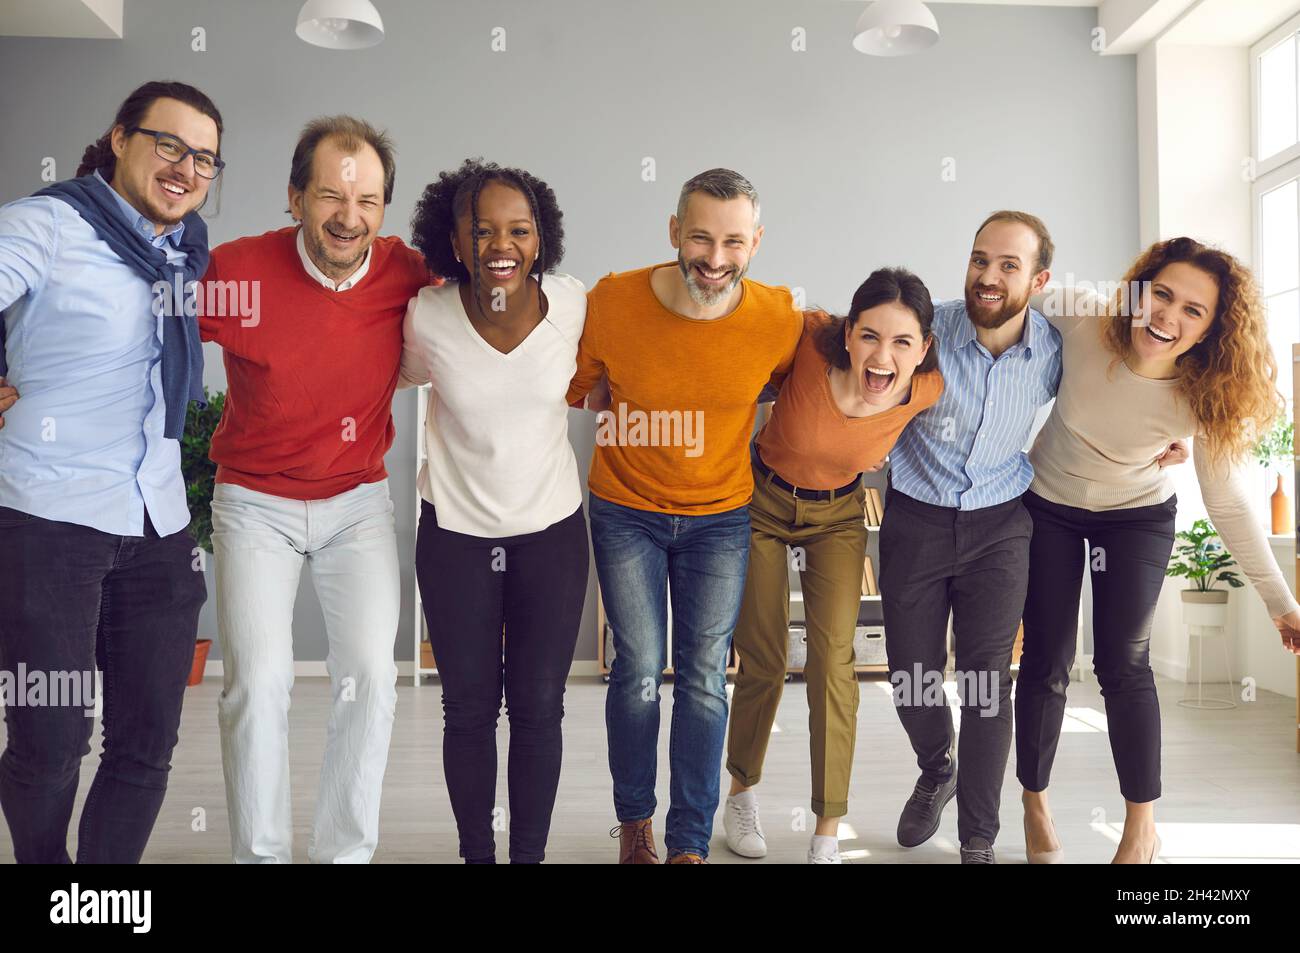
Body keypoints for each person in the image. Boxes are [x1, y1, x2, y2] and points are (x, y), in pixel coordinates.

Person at [1017, 237, 1300, 864]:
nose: (1167, 317)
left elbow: (1227, 505)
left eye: (1192, 311)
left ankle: (1141, 825)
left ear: (1210, 332)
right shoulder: (1086, 317)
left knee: (1124, 665)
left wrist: (1282, 604)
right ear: (1138, 292)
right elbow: (1014, 291)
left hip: (1135, 517)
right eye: (1161, 294)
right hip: (1047, 505)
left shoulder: (1206, 398)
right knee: (1047, 659)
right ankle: (1035, 805)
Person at [0, 81, 220, 862]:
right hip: (49, 519)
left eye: (204, 157)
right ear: (121, 138)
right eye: (169, 144)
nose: (186, 167)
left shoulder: (186, 251)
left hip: (157, 524)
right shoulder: (48, 225)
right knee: (51, 738)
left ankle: (98, 901)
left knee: (146, 744)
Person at [199, 116, 430, 863]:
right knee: (258, 684)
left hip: (355, 502)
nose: (348, 216)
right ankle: (259, 858)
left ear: (384, 209)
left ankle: (343, 855)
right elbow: (143, 324)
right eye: (330, 196)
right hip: (253, 503)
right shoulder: (237, 270)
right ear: (294, 197)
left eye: (366, 201)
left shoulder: (407, 274)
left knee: (369, 676)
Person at [567, 168, 803, 863]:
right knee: (638, 668)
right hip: (626, 511)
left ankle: (689, 841)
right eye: (700, 236)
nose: (715, 256)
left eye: (734, 240)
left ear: (756, 240)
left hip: (721, 519)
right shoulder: (612, 299)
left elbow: (817, 384)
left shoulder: (778, 317)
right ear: (674, 232)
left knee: (703, 675)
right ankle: (635, 822)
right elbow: (576, 387)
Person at [401, 159, 589, 864]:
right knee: (470, 711)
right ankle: (476, 853)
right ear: (455, 237)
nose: (500, 244)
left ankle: (528, 857)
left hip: (551, 537)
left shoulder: (571, 305)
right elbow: (388, 373)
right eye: (482, 230)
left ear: (540, 239)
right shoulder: (427, 316)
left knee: (540, 709)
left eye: (518, 229)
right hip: (455, 539)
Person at [724, 268, 944, 864]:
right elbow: (731, 345)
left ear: (923, 349)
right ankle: (740, 795)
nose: (883, 355)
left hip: (840, 515)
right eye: (870, 336)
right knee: (766, 657)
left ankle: (827, 830)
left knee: (833, 664)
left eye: (902, 342)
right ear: (848, 334)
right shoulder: (806, 343)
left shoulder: (926, 388)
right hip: (760, 504)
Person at [879, 210, 1064, 864]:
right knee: (910, 677)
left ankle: (978, 840)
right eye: (980, 259)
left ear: (1038, 278)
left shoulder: (1054, 351)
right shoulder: (928, 332)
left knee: (988, 682)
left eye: (1008, 265)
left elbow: (1116, 386)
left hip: (1000, 526)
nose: (988, 276)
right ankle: (937, 767)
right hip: (916, 519)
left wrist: (1170, 434)